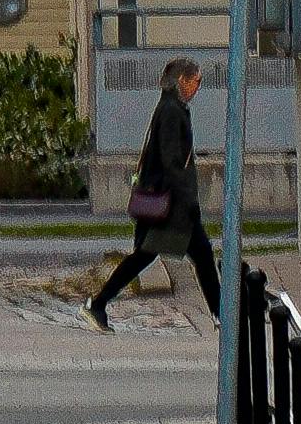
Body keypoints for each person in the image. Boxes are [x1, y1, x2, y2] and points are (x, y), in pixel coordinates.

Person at [88, 56, 216, 327]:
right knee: (149, 256)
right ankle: (98, 302)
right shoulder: (171, 111)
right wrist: (187, 197)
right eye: (196, 81)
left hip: (168, 201)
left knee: (199, 254)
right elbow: (170, 161)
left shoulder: (170, 107)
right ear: (182, 80)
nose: (197, 88)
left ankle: (220, 314)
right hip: (171, 204)